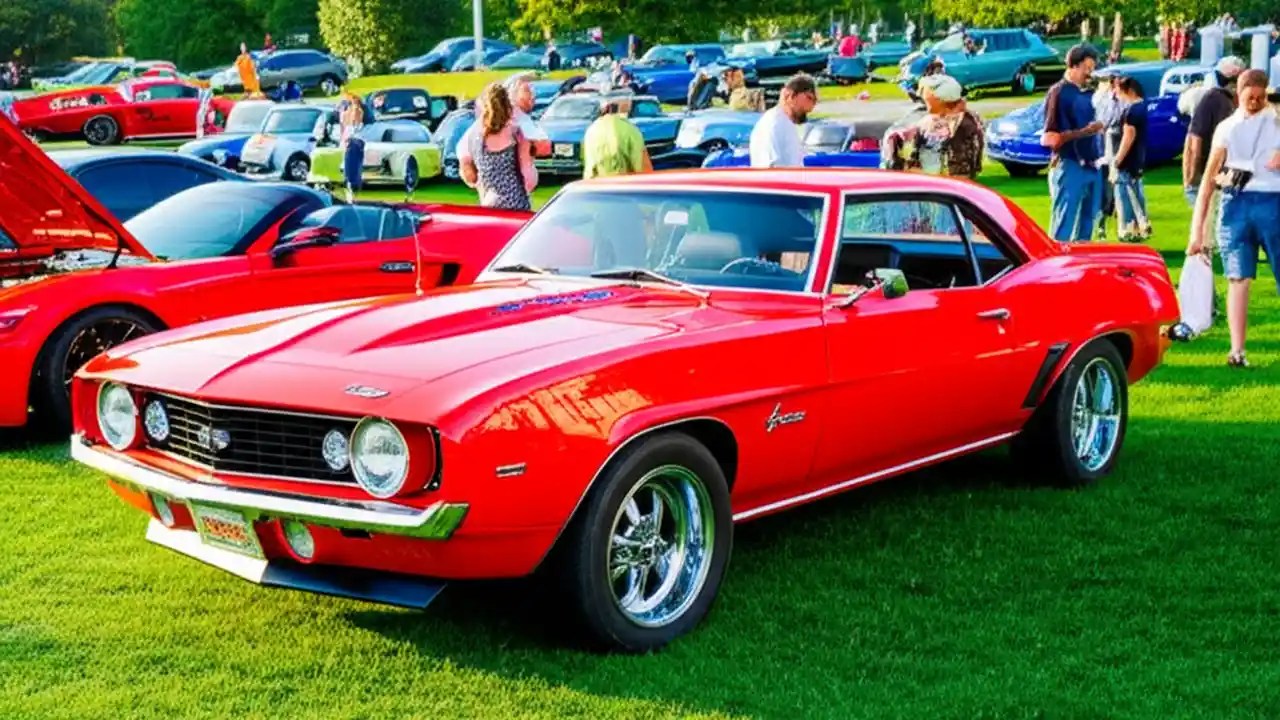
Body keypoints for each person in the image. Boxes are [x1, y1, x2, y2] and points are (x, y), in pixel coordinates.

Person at [1187, 69, 1280, 367]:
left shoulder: (1277, 119)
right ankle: (1236, 351)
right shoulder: (1226, 127)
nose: (1254, 102)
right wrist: (1197, 231)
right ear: (1237, 94)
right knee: (1237, 278)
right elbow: (1210, 179)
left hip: (1273, 202)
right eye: (1248, 97)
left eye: (1259, 97)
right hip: (1234, 206)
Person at [1041, 45, 1105, 242]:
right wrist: (1085, 132)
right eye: (1086, 68)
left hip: (1092, 164)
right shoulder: (1058, 93)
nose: (1090, 73)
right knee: (1063, 225)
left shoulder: (1088, 93)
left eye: (1092, 68)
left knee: (1087, 224)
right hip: (1069, 164)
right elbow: (1050, 137)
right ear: (1073, 66)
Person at [883, 74, 983, 179]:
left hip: (944, 185)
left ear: (941, 98)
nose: (921, 96)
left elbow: (959, 170)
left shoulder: (962, 125)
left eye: (926, 94)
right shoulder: (926, 115)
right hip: (927, 179)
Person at [458, 71, 549, 184]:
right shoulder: (493, 123)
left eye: (533, 90)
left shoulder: (522, 119)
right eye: (527, 90)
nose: (533, 94)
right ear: (512, 93)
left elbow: (544, 146)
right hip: (507, 190)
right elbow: (464, 151)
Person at [459, 83, 536, 211]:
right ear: (508, 104)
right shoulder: (517, 134)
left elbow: (470, 177)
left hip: (488, 207)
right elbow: (530, 179)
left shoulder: (474, 137)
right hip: (516, 206)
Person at [1184, 56, 1246, 208]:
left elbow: (1193, 140)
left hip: (1220, 178)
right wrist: (1192, 177)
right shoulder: (1215, 100)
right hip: (1212, 179)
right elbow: (1194, 141)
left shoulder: (1219, 101)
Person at [1110, 75, 1152, 242]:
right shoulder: (1143, 107)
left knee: (1124, 194)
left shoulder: (1131, 111)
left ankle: (1127, 228)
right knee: (1136, 192)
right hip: (1138, 158)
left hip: (1127, 160)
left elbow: (1128, 136)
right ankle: (1139, 227)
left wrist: (1117, 160)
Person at [748, 74, 818, 168]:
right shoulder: (773, 125)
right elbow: (771, 167)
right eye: (809, 97)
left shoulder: (785, 123)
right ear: (789, 95)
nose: (813, 104)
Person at [582, 94, 652, 178]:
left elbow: (589, 171)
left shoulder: (591, 130)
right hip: (624, 187)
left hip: (598, 187)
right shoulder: (630, 130)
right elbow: (643, 170)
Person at [338, 90, 365, 202]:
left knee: (351, 169)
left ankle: (352, 192)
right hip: (351, 140)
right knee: (350, 169)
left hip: (353, 140)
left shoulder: (356, 111)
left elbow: (353, 123)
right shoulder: (349, 112)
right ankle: (351, 191)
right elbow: (346, 126)